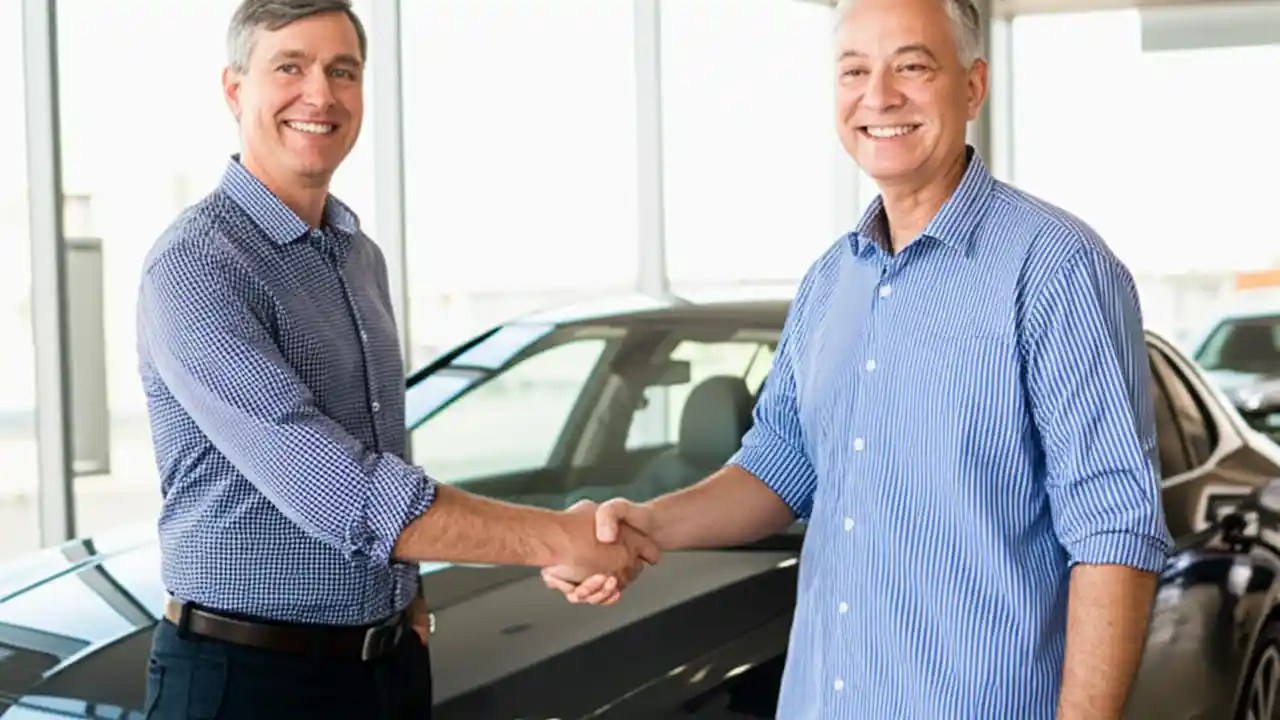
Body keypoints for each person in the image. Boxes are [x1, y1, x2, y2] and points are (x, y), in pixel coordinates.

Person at [544, 0, 1172, 717]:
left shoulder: (1057, 269)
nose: (879, 97)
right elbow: (778, 466)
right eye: (854, 71)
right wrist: (648, 524)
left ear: (972, 86)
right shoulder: (829, 282)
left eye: (912, 65)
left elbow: (1114, 531)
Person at [135, 1, 656, 718]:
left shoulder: (356, 256)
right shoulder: (199, 265)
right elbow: (341, 489)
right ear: (234, 89)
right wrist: (558, 538)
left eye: (342, 71)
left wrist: (406, 598)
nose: (320, 94)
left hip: (383, 667)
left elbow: (380, 447)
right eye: (291, 66)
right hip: (249, 681)